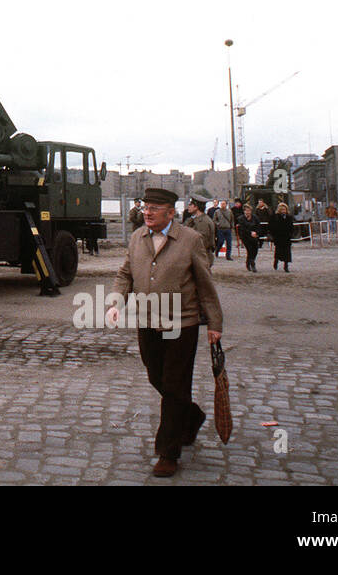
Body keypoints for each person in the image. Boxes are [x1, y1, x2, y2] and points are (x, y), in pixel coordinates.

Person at [107, 187, 223, 477]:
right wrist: (116, 301)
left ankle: (167, 452)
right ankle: (192, 415)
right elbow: (125, 273)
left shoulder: (191, 240)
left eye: (154, 208)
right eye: (146, 207)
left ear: (171, 212)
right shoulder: (137, 238)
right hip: (147, 320)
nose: (147, 212)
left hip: (181, 324)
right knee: (156, 376)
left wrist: (214, 324)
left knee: (173, 384)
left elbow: (205, 284)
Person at [183, 197, 215, 265]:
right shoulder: (193, 219)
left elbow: (202, 242)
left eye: (190, 204)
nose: (188, 206)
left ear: (196, 207)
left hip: (201, 258)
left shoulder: (203, 222)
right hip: (196, 257)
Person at [270, 201, 295, 272]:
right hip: (278, 237)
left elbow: (291, 227)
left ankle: (286, 266)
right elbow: (272, 226)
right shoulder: (275, 217)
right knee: (278, 251)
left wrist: (291, 234)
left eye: (284, 209)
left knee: (287, 252)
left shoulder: (289, 217)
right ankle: (276, 261)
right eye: (282, 210)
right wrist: (273, 235)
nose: (283, 211)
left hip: (287, 237)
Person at [236, 201, 261, 272]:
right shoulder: (241, 218)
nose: (248, 212)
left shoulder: (255, 217)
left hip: (254, 236)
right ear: (244, 211)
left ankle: (248, 262)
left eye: (249, 210)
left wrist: (256, 232)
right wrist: (250, 232)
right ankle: (252, 264)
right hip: (245, 236)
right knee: (250, 250)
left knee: (255, 250)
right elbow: (243, 228)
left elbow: (258, 226)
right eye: (246, 211)